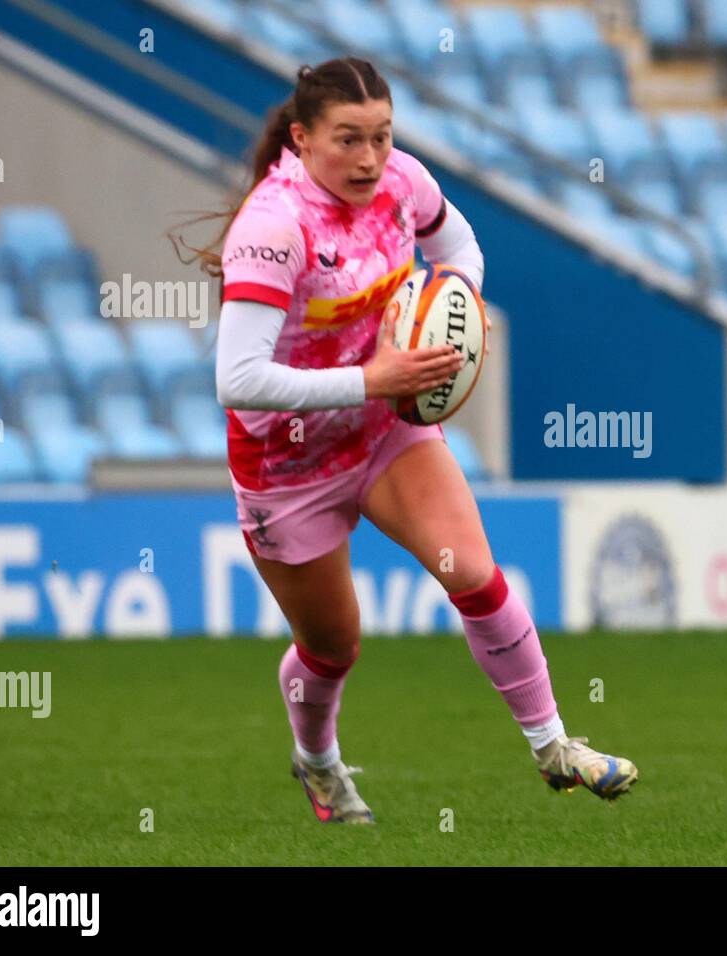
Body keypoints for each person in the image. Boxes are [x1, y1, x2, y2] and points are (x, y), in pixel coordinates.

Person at [173, 57, 637, 823]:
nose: (369, 158)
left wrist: (460, 303)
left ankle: (555, 748)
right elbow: (238, 379)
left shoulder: (402, 182)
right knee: (333, 647)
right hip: (287, 467)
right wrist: (371, 380)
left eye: (382, 137)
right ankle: (318, 762)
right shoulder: (273, 226)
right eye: (348, 139)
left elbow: (460, 250)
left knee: (477, 575)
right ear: (301, 138)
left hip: (388, 433)